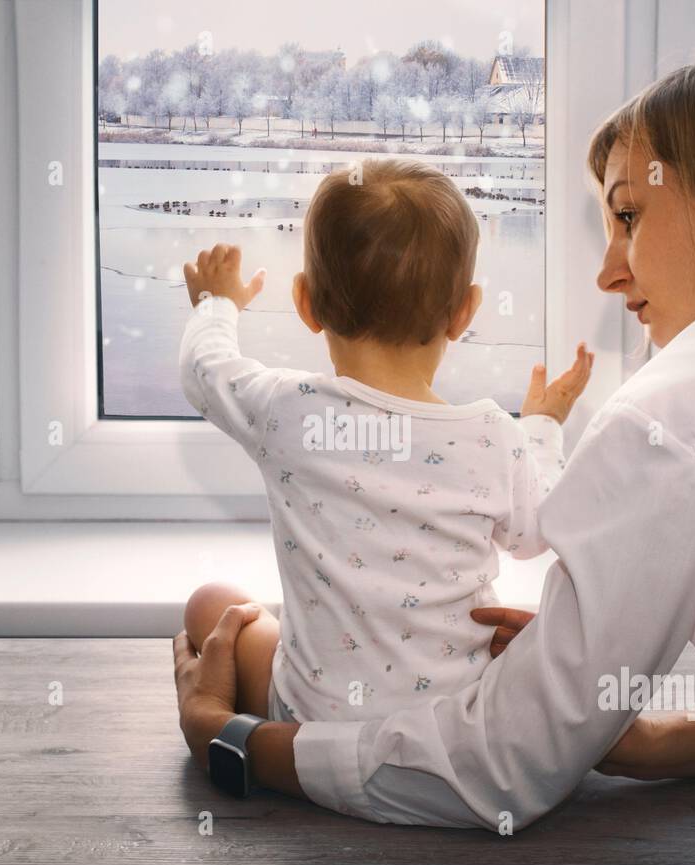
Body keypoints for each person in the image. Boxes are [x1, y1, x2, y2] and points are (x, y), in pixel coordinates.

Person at [173, 49, 695, 865]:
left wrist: (236, 740)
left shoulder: (690, 410)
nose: (609, 273)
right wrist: (643, 738)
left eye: (629, 216)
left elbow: (492, 773)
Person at [179, 159, 598, 725]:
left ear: (304, 303)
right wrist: (542, 425)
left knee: (210, 604)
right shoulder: (492, 436)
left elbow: (206, 369)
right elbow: (535, 532)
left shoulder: (285, 409)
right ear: (464, 313)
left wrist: (216, 303)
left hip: (312, 718)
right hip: (454, 720)